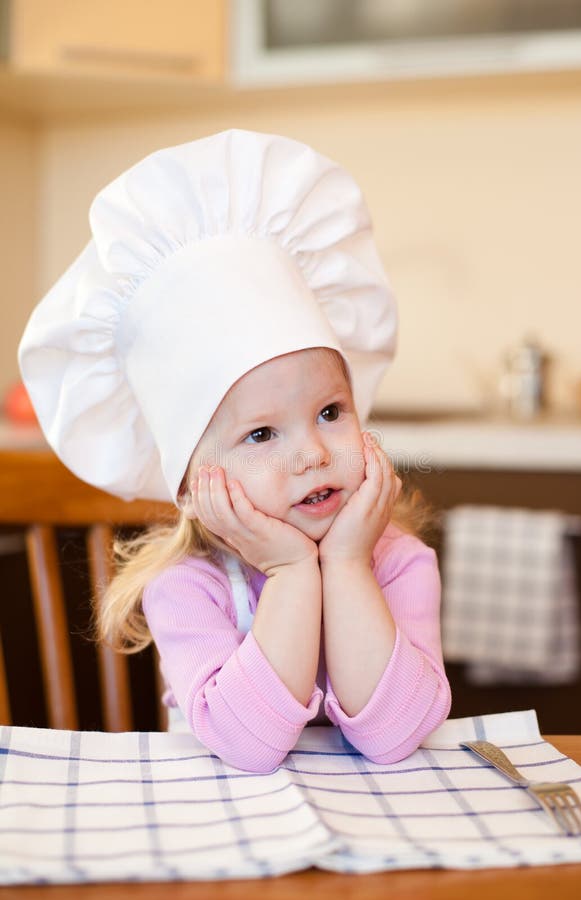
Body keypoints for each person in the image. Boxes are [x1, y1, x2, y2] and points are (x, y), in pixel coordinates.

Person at [19, 129, 451, 773]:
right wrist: (293, 572)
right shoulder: (187, 587)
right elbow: (250, 747)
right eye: (261, 433)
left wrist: (348, 565)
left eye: (330, 412)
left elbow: (392, 737)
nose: (312, 452)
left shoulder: (396, 563)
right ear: (194, 486)